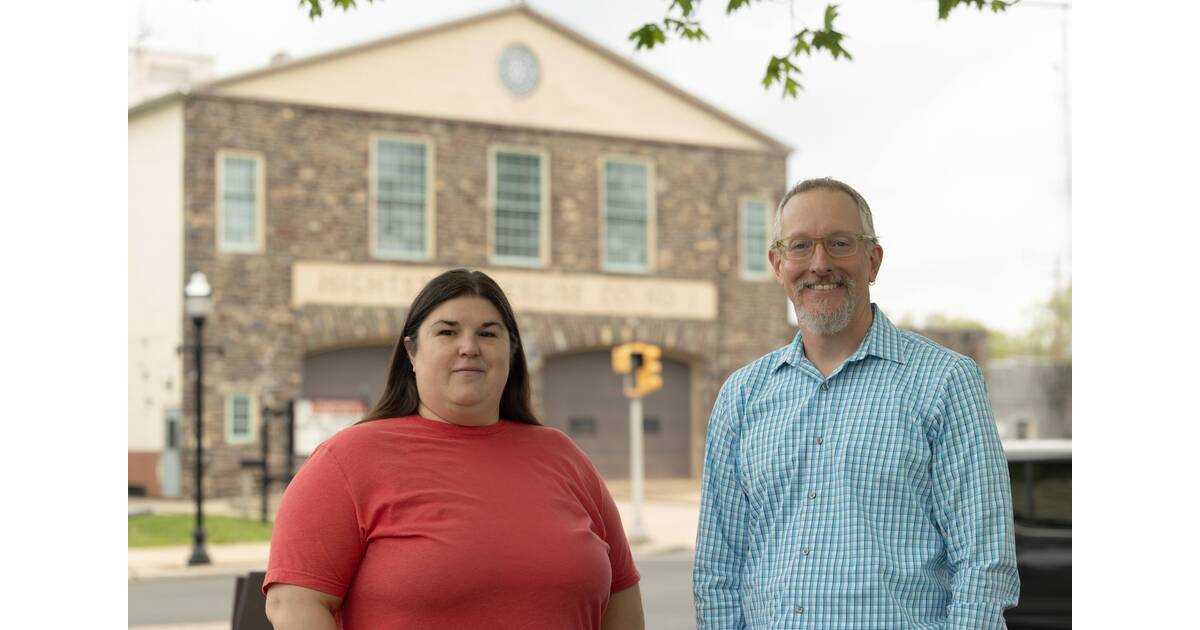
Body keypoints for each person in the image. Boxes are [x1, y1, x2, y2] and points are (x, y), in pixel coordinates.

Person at [693, 177, 1019, 629]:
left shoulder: (944, 382)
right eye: (800, 246)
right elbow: (718, 572)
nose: (820, 263)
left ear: (873, 259)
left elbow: (985, 563)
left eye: (840, 243)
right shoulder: (742, 397)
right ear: (777, 263)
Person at [264, 268, 644, 629]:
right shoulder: (346, 461)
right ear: (411, 352)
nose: (469, 347)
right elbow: (295, 604)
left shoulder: (565, 458)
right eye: (447, 332)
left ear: (511, 352)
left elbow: (622, 597)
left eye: (488, 334)